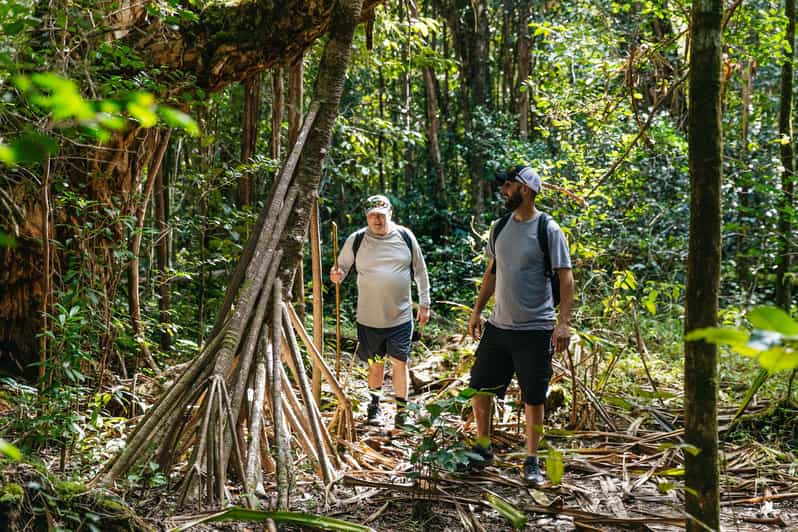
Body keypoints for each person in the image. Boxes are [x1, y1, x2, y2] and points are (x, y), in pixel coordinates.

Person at [466, 165, 574, 485]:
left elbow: (566, 280)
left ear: (525, 189)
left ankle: (532, 460)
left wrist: (563, 324)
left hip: (536, 329)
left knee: (534, 397)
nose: (503, 192)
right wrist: (476, 312)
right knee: (480, 387)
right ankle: (483, 447)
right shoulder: (499, 227)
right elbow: (492, 273)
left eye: (508, 186)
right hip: (498, 327)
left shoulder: (548, 229)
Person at [330, 194, 431, 428]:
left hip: (400, 317)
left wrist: (424, 303)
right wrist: (337, 275)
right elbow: (341, 268)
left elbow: (420, 271)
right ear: (367, 217)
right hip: (369, 320)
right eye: (372, 215)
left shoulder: (405, 237)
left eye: (381, 215)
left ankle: (402, 412)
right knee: (376, 364)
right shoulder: (356, 240)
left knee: (399, 362)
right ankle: (374, 407)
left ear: (390, 215)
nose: (377, 220)